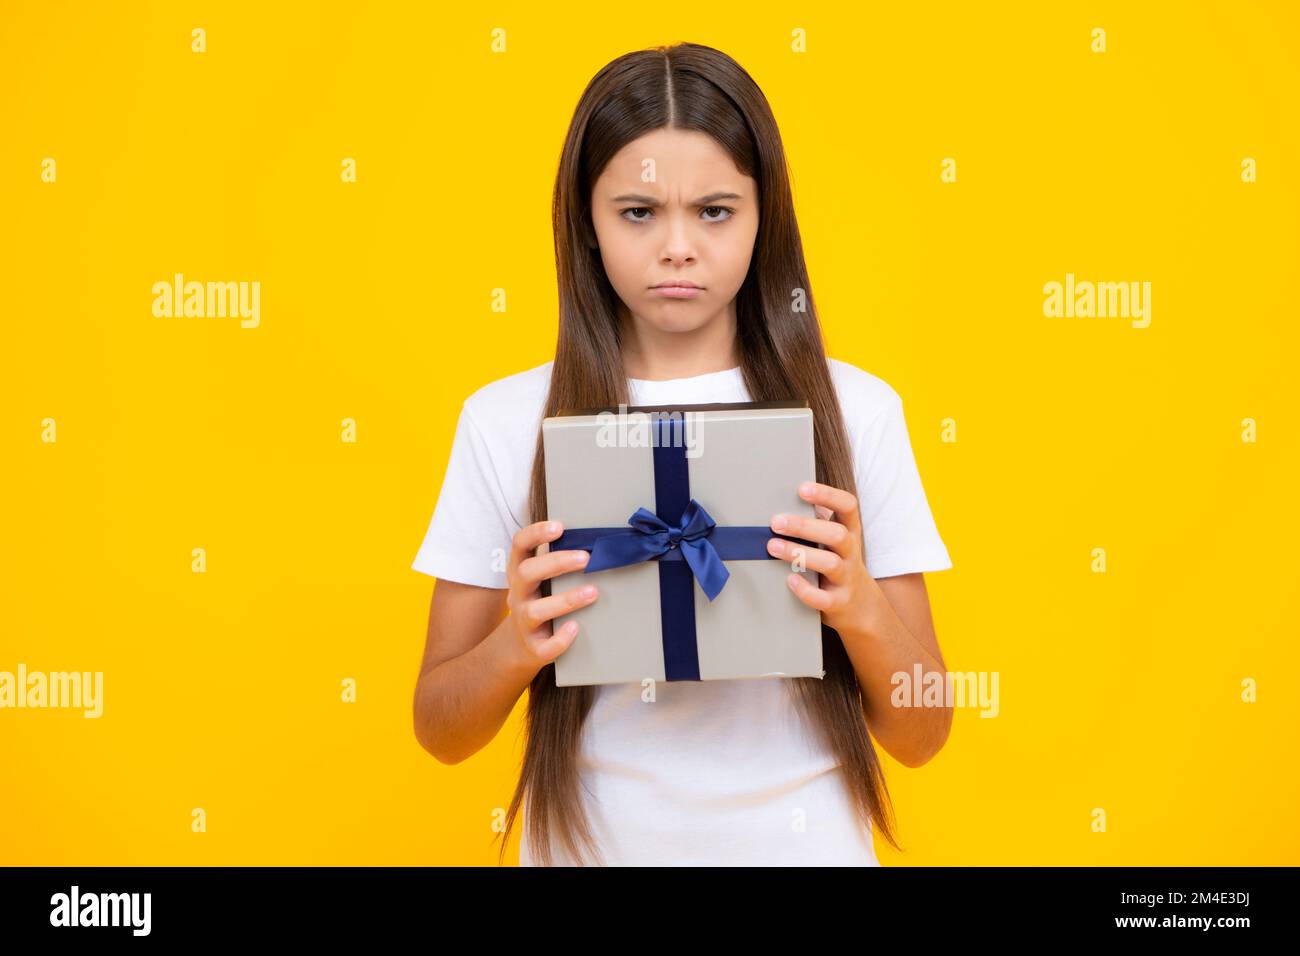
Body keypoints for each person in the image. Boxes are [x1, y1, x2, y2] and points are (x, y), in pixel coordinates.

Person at [411, 42, 954, 866]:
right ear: (585, 224)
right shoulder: (505, 420)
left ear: (763, 215)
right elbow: (440, 729)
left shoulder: (857, 413)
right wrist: (515, 643)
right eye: (637, 212)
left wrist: (860, 608)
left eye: (715, 210)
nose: (677, 247)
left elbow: (925, 733)